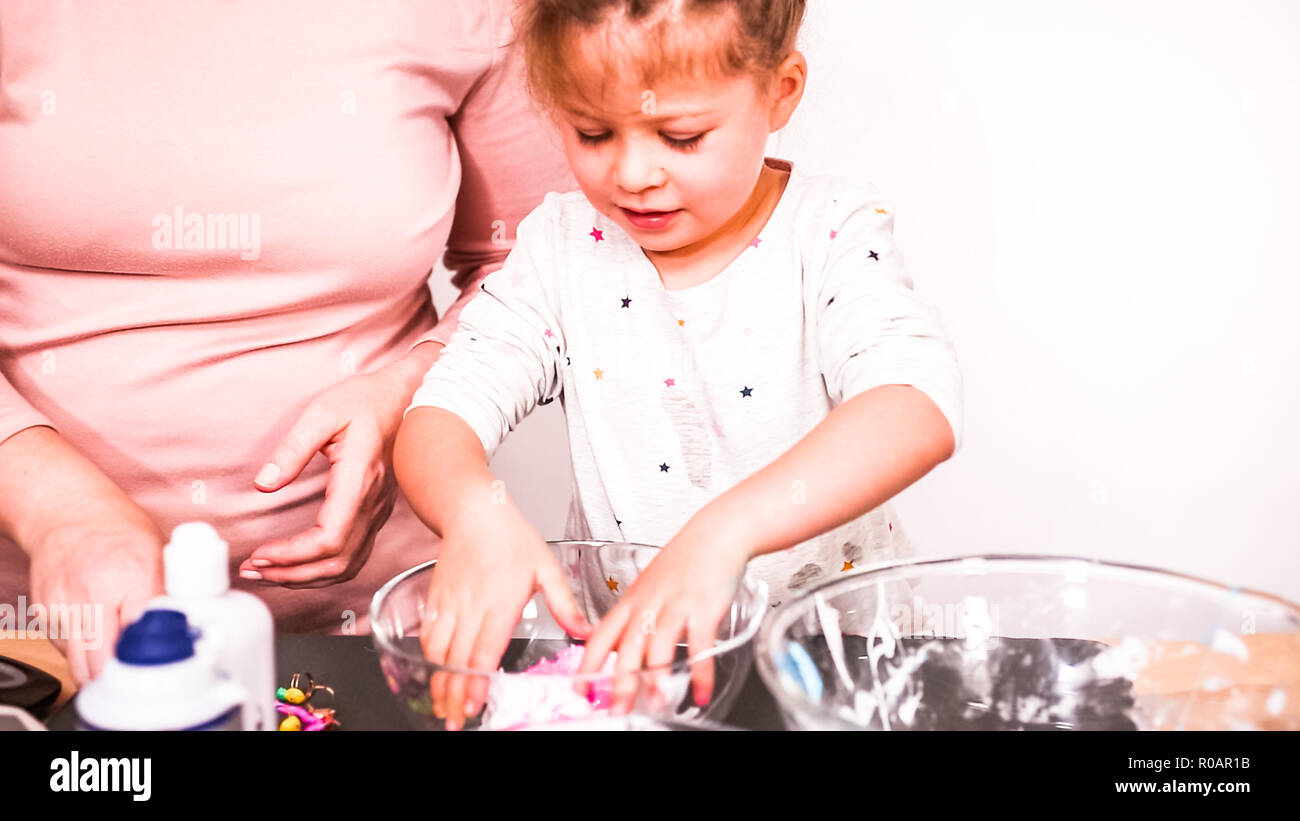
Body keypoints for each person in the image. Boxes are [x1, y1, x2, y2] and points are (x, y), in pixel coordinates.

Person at [393, 0, 963, 730]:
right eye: (591, 131)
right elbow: (442, 407)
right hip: (643, 680)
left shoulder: (831, 232)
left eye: (681, 135)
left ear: (780, 92)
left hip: (843, 669)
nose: (633, 173)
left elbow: (916, 403)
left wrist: (725, 530)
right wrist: (474, 508)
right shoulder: (562, 249)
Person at [0, 0, 573, 684]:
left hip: (380, 639)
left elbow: (540, 264)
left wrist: (403, 399)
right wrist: (60, 513)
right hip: (38, 645)